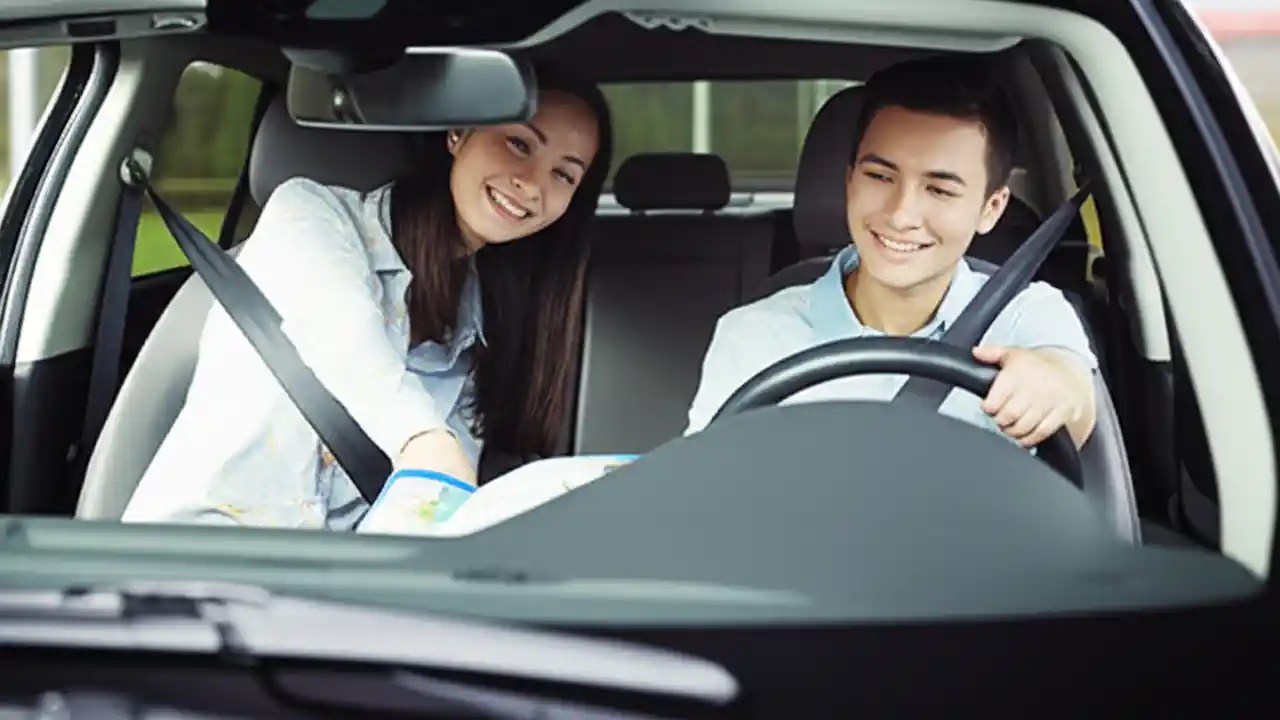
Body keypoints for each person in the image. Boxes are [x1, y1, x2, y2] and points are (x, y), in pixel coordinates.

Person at [123, 64, 613, 529]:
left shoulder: (484, 330)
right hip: (194, 563)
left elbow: (434, 511)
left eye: (564, 175)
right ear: (458, 133)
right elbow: (344, 340)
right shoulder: (309, 215)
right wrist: (424, 442)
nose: (531, 185)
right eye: (519, 143)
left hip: (339, 592)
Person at [685, 58, 1097, 450]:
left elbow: (1073, 394)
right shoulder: (754, 335)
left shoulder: (1026, 316)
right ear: (849, 182)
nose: (901, 215)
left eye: (939, 189)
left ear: (990, 209)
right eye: (880, 176)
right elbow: (710, 493)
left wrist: (1053, 386)